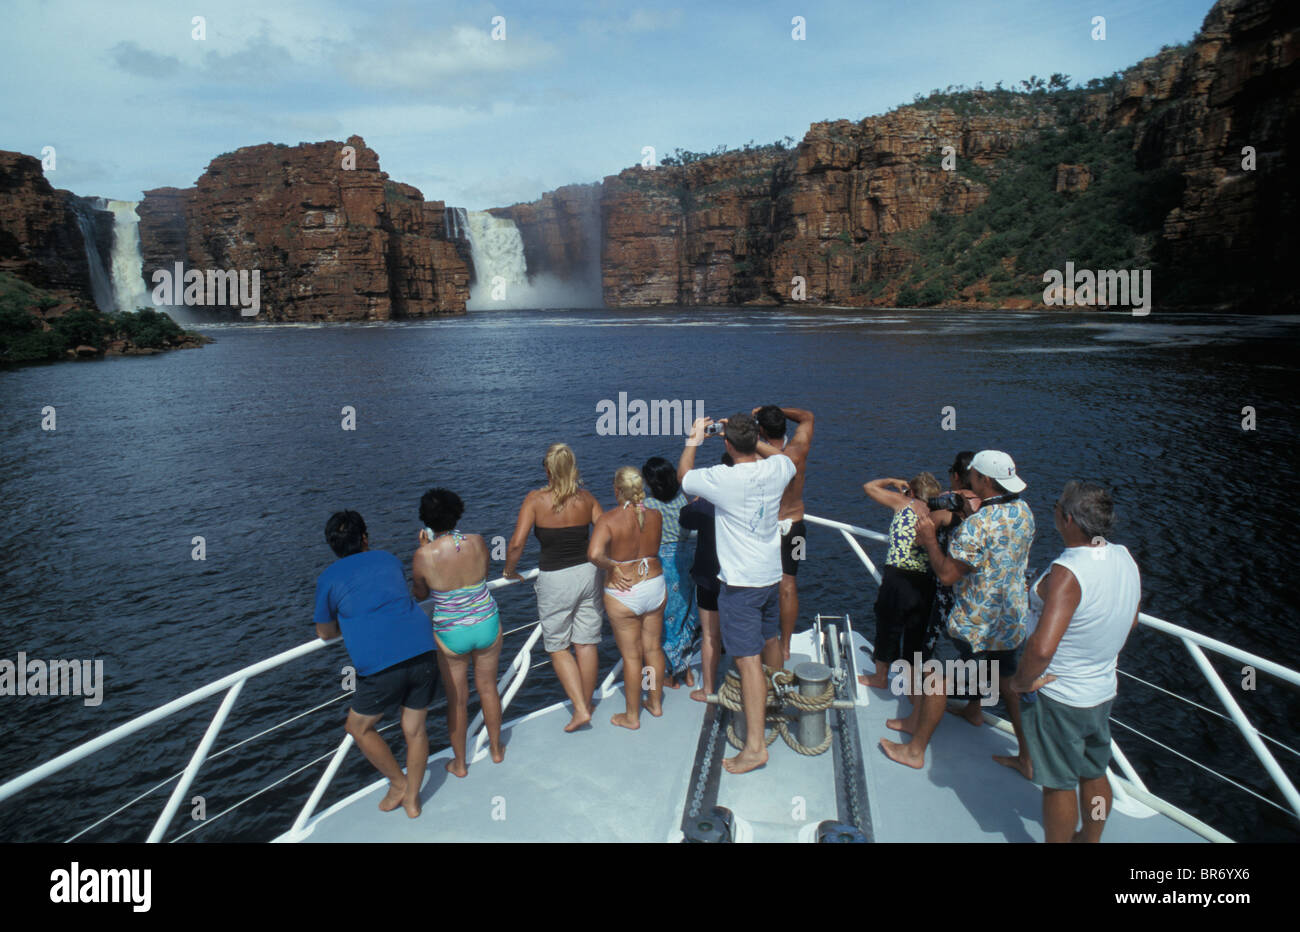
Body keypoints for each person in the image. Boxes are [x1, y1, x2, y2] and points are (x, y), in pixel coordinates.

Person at [880, 450, 1035, 772]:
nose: (969, 481)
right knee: (1007, 681)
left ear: (985, 480)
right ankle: (1025, 754)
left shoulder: (977, 526)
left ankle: (914, 750)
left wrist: (929, 540)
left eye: (974, 476)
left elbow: (948, 574)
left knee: (934, 677)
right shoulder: (1024, 511)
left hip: (974, 620)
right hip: (1009, 620)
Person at [1009, 481, 1141, 842]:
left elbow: (1042, 648)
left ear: (1067, 518)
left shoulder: (1068, 572)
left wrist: (1020, 682)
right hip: (1101, 689)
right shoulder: (1124, 557)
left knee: (1058, 783)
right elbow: (1129, 619)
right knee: (1094, 771)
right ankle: (1090, 838)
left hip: (1061, 693)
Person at [679, 414, 795, 774]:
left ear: (727, 444)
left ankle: (755, 748)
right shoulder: (779, 468)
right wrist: (745, 436)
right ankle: (775, 702)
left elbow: (684, 477)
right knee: (770, 639)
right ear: (757, 439)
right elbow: (781, 457)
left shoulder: (723, 479)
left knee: (747, 664)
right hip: (770, 577)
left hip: (741, 585)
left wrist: (695, 439)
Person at [313, 510, 436, 819]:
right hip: (424, 650)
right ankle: (413, 800)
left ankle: (398, 784)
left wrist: (351, 622)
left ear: (333, 546)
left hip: (382, 668)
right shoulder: (388, 559)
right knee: (415, 729)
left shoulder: (328, 577)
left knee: (358, 726)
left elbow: (325, 632)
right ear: (365, 538)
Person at [503, 443, 604, 732]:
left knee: (559, 646)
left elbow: (517, 543)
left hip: (555, 578)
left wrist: (509, 570)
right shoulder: (586, 499)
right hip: (589, 573)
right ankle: (586, 703)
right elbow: (606, 529)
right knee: (586, 642)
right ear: (573, 468)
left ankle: (581, 709)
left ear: (547, 470)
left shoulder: (535, 500)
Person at [412, 488, 504, 778]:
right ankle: (497, 750)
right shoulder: (477, 542)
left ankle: (460, 764)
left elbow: (420, 592)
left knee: (458, 700)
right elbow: (482, 575)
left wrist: (427, 546)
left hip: (451, 633)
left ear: (426, 520)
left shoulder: (423, 555)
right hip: (487, 622)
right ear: (457, 512)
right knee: (489, 689)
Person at [588, 467, 667, 730]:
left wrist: (612, 565)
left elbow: (594, 554)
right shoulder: (655, 515)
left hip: (624, 592)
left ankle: (632, 717)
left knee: (632, 657)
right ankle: (655, 703)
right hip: (654, 584)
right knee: (653, 649)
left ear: (616, 490)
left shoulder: (608, 520)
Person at [858, 472, 942, 690]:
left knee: (888, 626)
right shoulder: (938, 512)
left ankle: (880, 677)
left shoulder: (904, 502)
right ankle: (913, 685)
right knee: (916, 633)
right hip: (926, 580)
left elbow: (869, 486)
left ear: (912, 492)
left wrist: (892, 481)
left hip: (898, 576)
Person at [754, 405, 815, 660]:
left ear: (761, 430)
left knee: (760, 585)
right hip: (796, 526)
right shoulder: (799, 447)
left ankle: (764, 643)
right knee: (789, 584)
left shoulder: (757, 455)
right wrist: (774, 410)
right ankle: (787, 646)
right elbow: (807, 416)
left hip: (768, 529)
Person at [680, 450, 733, 702]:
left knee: (710, 636)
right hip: (741, 576)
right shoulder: (753, 496)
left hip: (709, 576)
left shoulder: (706, 504)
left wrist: (698, 498)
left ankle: (708, 688)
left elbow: (685, 518)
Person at [642, 456, 698, 689]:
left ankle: (668, 674)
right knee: (684, 614)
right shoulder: (681, 499)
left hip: (662, 566)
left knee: (663, 620)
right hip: (685, 561)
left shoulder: (648, 506)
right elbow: (691, 532)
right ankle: (685, 671)